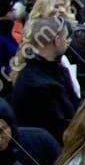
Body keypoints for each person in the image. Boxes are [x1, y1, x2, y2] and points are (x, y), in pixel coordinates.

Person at [8, 14, 80, 143]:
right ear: (57, 40)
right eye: (66, 38)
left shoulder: (47, 69)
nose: (69, 41)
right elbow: (62, 129)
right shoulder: (41, 85)